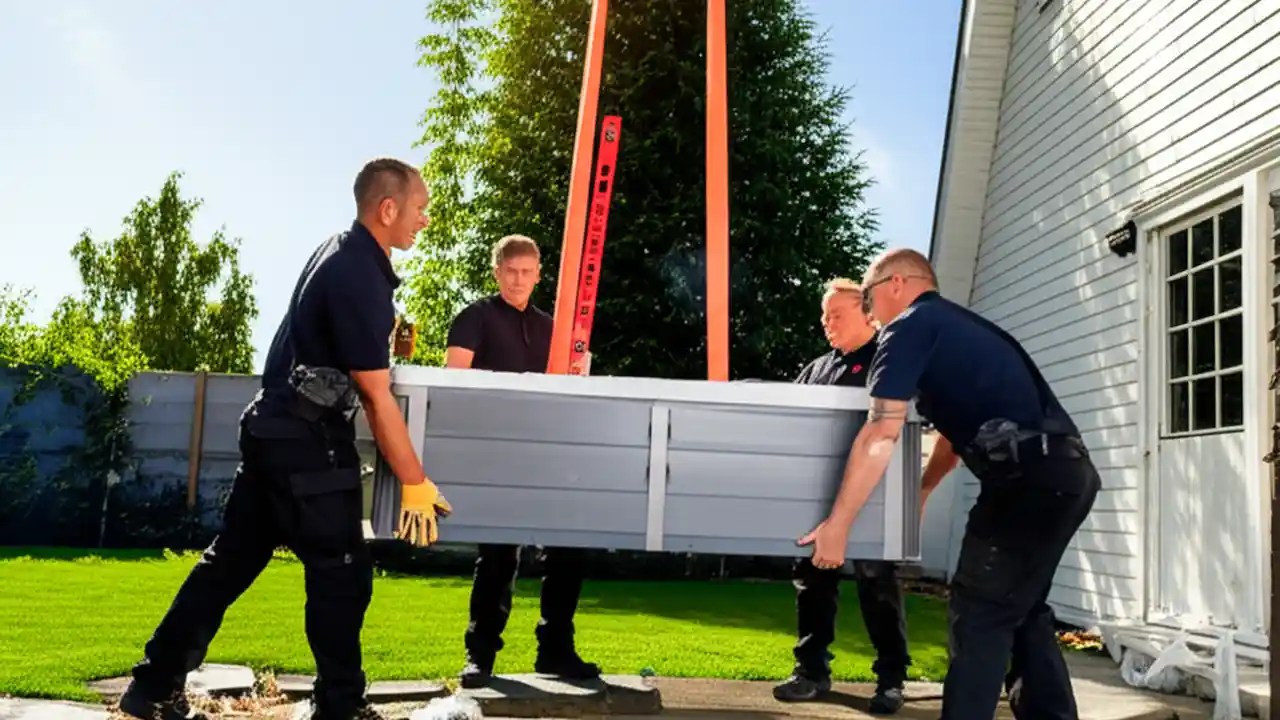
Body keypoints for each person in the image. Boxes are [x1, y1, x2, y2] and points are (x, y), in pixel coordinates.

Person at [118, 158, 452, 720]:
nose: (424, 219)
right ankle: (340, 708)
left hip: (272, 430)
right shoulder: (360, 274)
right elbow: (375, 396)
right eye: (420, 208)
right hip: (306, 442)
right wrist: (414, 482)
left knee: (228, 565)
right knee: (341, 573)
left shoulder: (336, 253)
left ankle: (151, 688)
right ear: (387, 208)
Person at [798, 248, 1099, 720]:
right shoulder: (957, 328)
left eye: (869, 298)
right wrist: (921, 490)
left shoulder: (908, 327)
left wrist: (838, 524)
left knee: (980, 612)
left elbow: (880, 432)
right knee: (1021, 612)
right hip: (1064, 475)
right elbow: (954, 437)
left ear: (897, 284)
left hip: (1025, 480)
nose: (870, 313)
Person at [443, 234, 600, 688]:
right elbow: (454, 385)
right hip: (494, 455)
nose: (518, 279)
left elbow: (575, 388)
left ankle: (555, 650)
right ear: (497, 272)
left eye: (527, 272)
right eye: (510, 271)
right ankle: (479, 657)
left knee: (569, 548)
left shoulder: (556, 329)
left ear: (538, 275)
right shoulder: (473, 318)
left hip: (549, 454)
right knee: (497, 555)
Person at [772, 278, 909, 715]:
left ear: (868, 314)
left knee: (877, 583)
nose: (826, 322)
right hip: (817, 498)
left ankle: (891, 680)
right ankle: (810, 672)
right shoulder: (816, 369)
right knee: (812, 581)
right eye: (824, 315)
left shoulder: (890, 362)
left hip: (875, 495)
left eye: (836, 314)